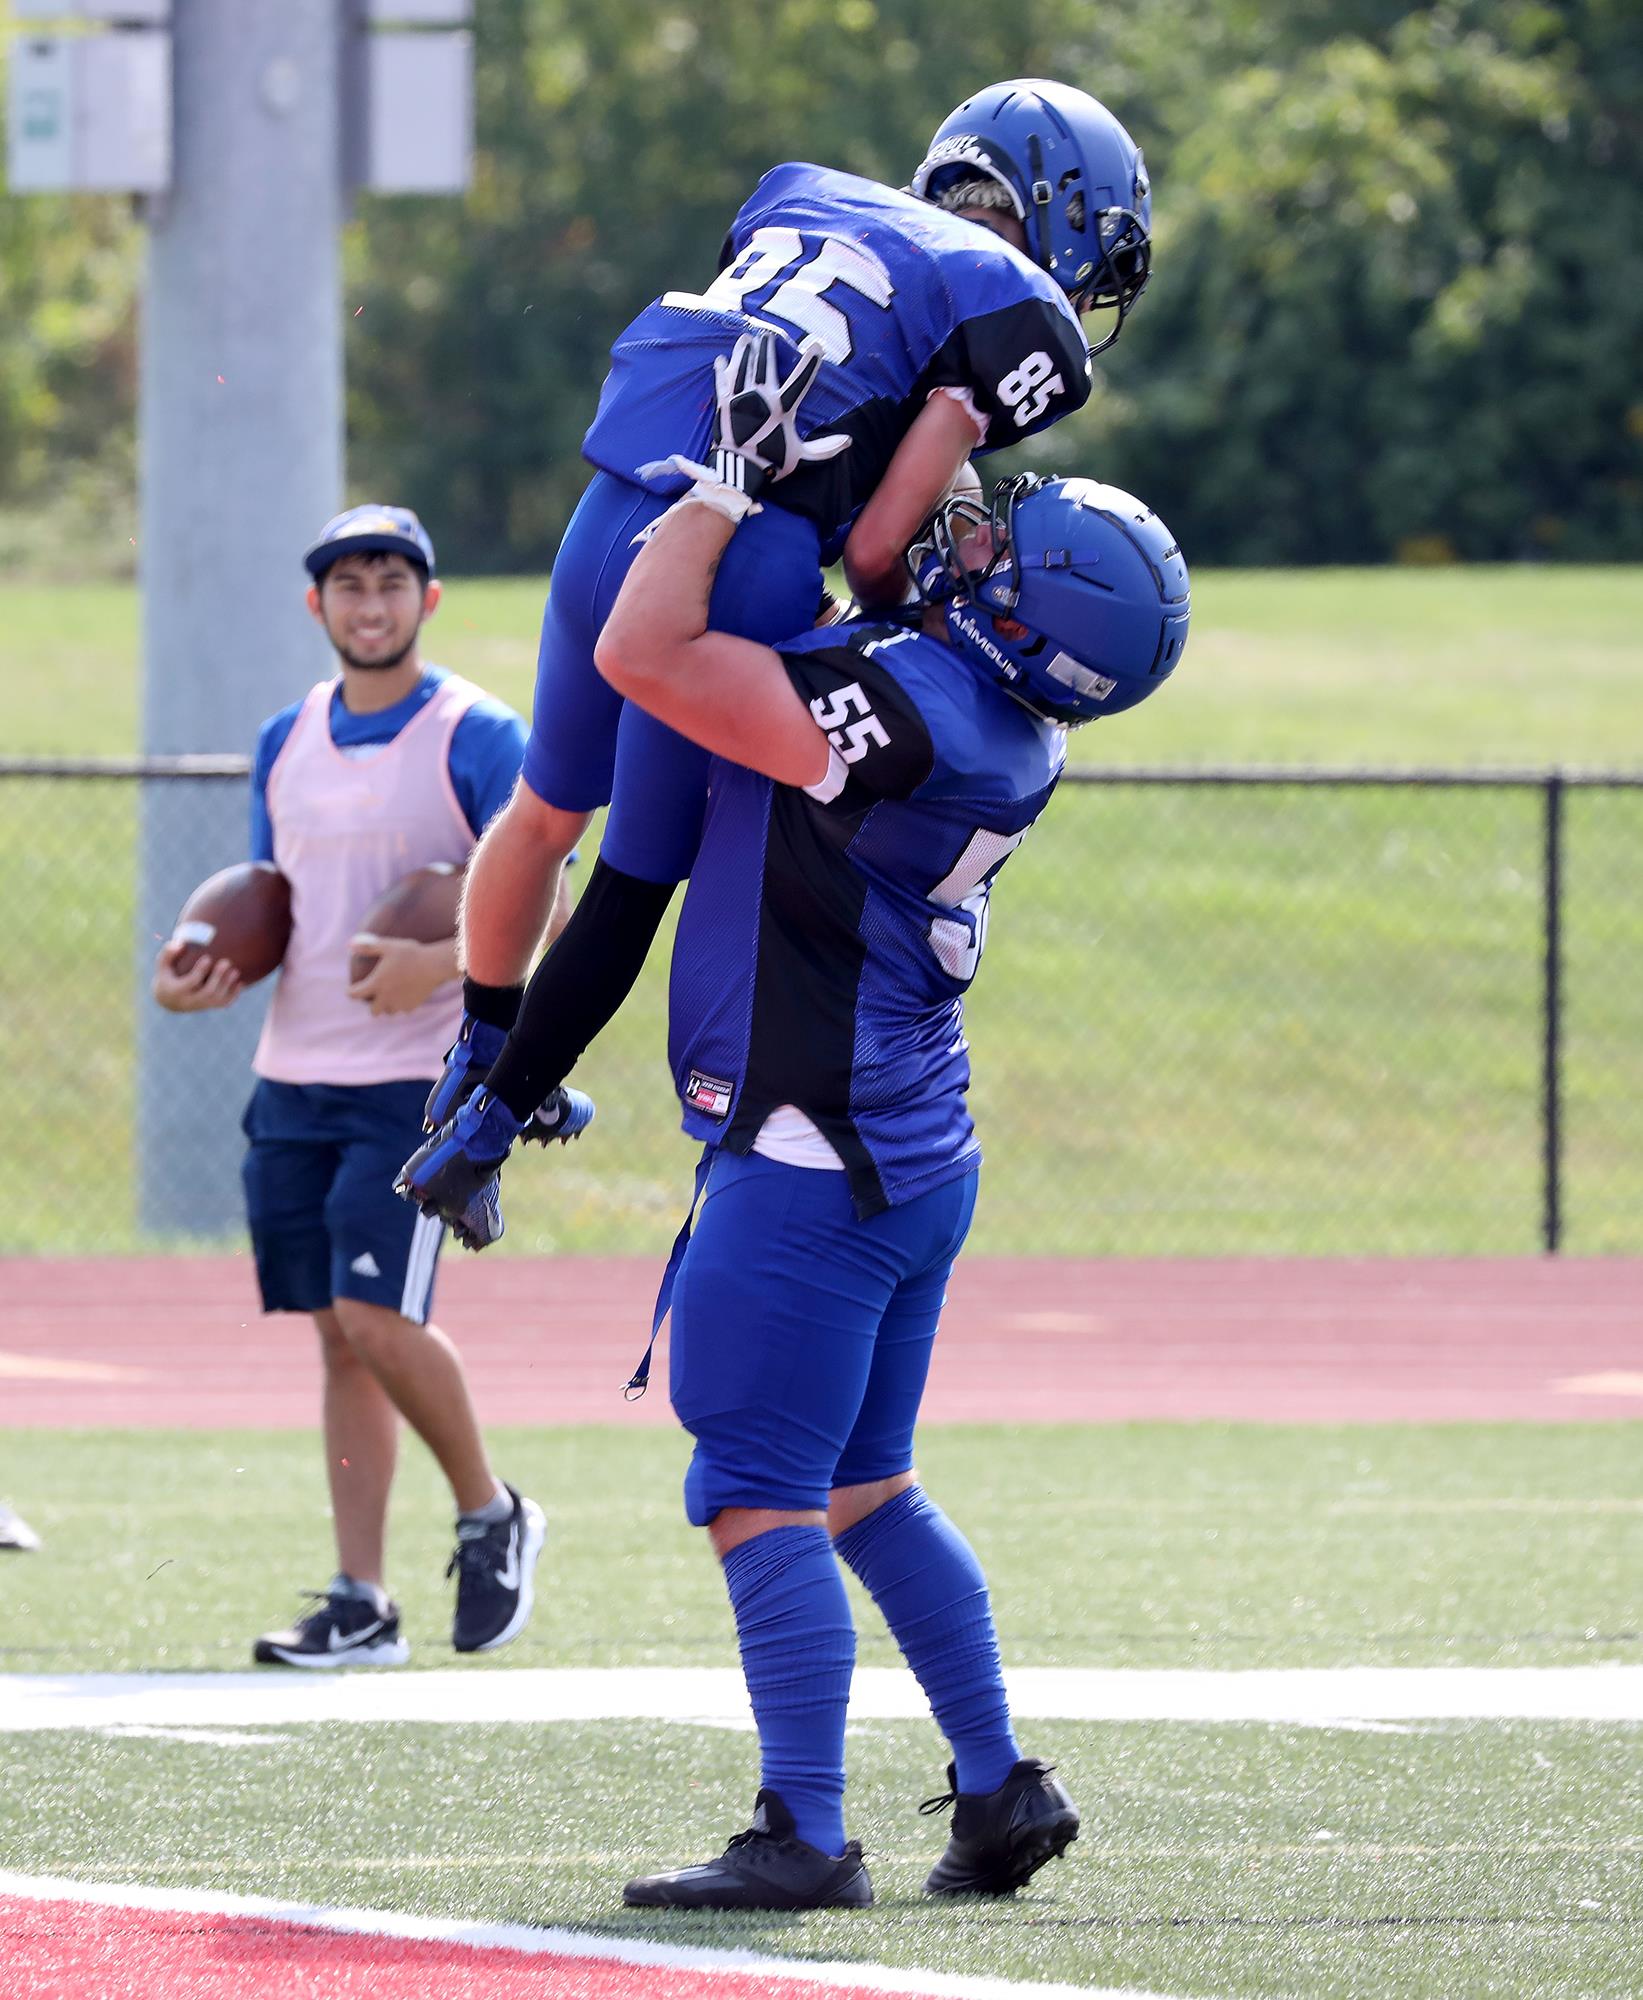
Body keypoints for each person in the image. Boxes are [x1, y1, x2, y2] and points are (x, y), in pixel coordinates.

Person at [444, 335, 1188, 1906]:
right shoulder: (1004, 721)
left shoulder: (906, 711)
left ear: (1025, 616)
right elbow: (883, 579)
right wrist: (940, 425)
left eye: (997, 546)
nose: (969, 538)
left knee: (753, 1491)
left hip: (813, 1150)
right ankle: (998, 1791)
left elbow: (648, 652)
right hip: (909, 1147)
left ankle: (805, 1830)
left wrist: (720, 480)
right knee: (869, 1489)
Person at [401, 80, 1154, 1237]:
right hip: (734, 554)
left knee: (546, 813)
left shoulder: (807, 195)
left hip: (610, 512)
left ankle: (478, 1048)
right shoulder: (1006, 309)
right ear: (1052, 212)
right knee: (635, 876)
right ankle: (485, 1131)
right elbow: (867, 550)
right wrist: (916, 617)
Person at [152, 505, 581, 1668]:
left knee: (378, 1316)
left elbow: (551, 890)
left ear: (427, 599)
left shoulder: (474, 731)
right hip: (293, 1073)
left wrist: (439, 964)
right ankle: (361, 1598)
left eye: (392, 580)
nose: (370, 601)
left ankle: (494, 1510)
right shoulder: (282, 735)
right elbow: (276, 902)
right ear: (318, 606)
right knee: (336, 1337)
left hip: (416, 1082)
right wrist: (208, 971)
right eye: (349, 584)